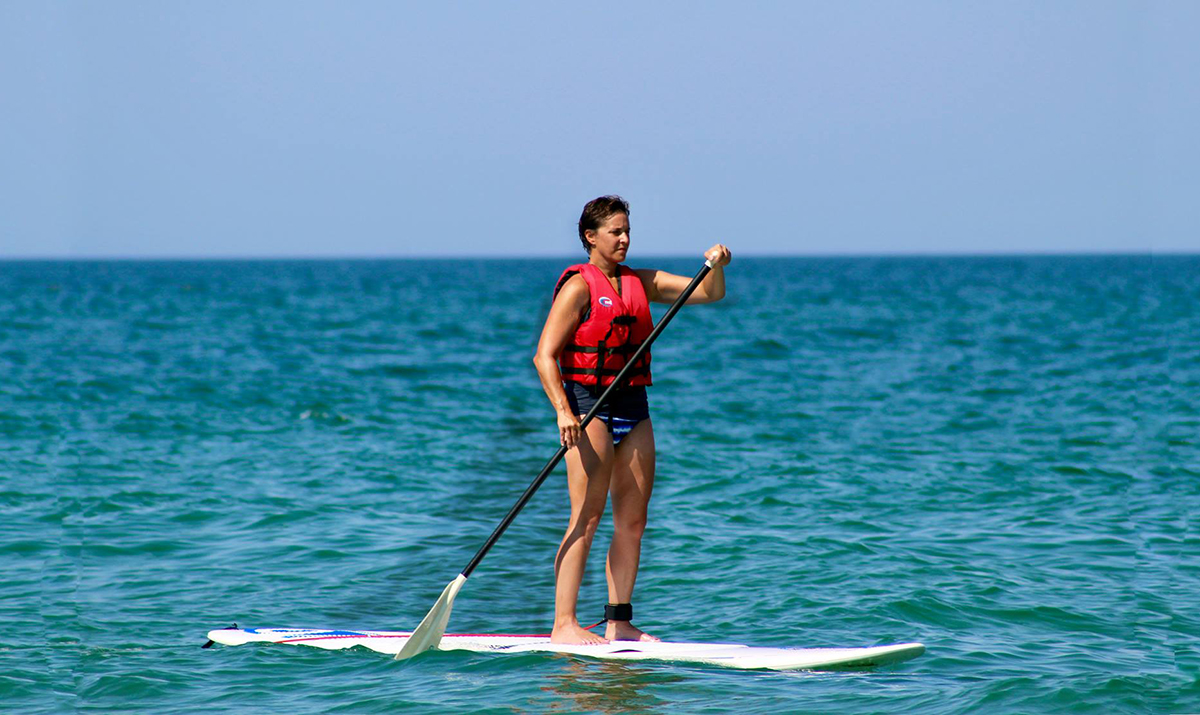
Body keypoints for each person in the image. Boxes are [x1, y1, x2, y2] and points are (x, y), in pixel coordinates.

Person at [533, 195, 731, 644]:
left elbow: (710, 292)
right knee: (585, 517)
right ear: (591, 237)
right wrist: (564, 412)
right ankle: (563, 623)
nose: (624, 239)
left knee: (633, 520)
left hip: (634, 404)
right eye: (615, 232)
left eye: (628, 231)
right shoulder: (578, 288)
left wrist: (716, 264)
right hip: (589, 405)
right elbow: (544, 356)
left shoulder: (643, 281)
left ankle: (618, 621)